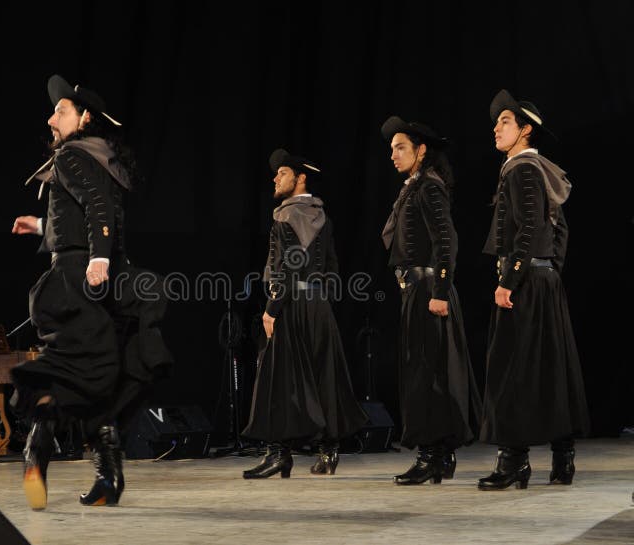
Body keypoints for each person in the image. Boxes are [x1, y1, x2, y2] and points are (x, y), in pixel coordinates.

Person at [11, 74, 173, 509]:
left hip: (79, 274)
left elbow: (97, 210)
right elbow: (88, 214)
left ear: (84, 118)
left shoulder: (71, 155)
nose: (51, 120)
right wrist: (41, 226)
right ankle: (108, 477)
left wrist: (96, 259)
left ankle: (35, 454)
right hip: (110, 277)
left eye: (60, 111)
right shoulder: (102, 158)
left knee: (64, 371)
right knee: (101, 378)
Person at [478, 89, 590, 490]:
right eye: (496, 122)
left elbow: (529, 228)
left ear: (525, 130)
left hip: (524, 282)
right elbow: (559, 230)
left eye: (505, 122)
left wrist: (510, 280)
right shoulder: (537, 169)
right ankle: (563, 458)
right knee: (549, 367)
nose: (496, 128)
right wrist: (550, 272)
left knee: (511, 369)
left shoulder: (523, 169)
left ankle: (513, 462)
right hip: (542, 280)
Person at [240, 148, 368, 479]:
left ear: (300, 179)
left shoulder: (285, 217)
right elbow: (332, 267)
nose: (275, 178)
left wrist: (271, 309)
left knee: (276, 378)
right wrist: (320, 300)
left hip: (290, 304)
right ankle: (329, 452)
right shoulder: (322, 217)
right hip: (318, 306)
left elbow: (287, 267)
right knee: (322, 375)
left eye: (282, 173)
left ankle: (277, 454)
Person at [379, 116, 482, 485]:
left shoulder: (428, 186)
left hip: (428, 292)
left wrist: (439, 292)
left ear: (421, 150)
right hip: (417, 291)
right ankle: (439, 455)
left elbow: (446, 241)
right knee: (426, 373)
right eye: (392, 149)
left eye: (400, 148)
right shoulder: (414, 187)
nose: (393, 155)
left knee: (429, 374)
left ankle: (431, 455)